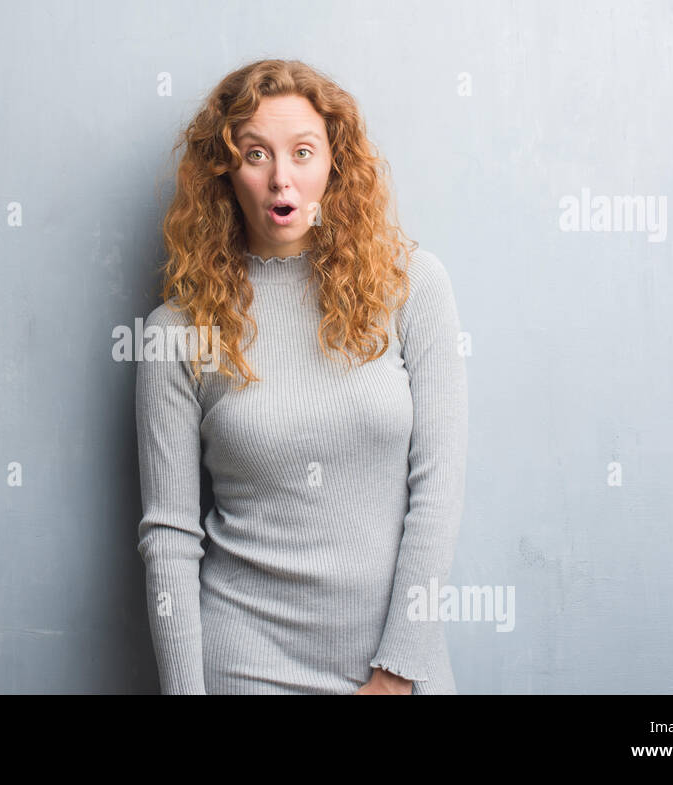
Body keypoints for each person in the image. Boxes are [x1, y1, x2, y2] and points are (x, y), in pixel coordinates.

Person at [135, 59, 468, 694]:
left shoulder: (412, 288)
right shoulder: (175, 331)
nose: (280, 178)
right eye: (255, 153)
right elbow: (169, 539)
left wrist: (398, 672)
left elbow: (438, 490)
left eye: (303, 152)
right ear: (224, 171)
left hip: (398, 666)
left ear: (335, 163)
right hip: (245, 665)